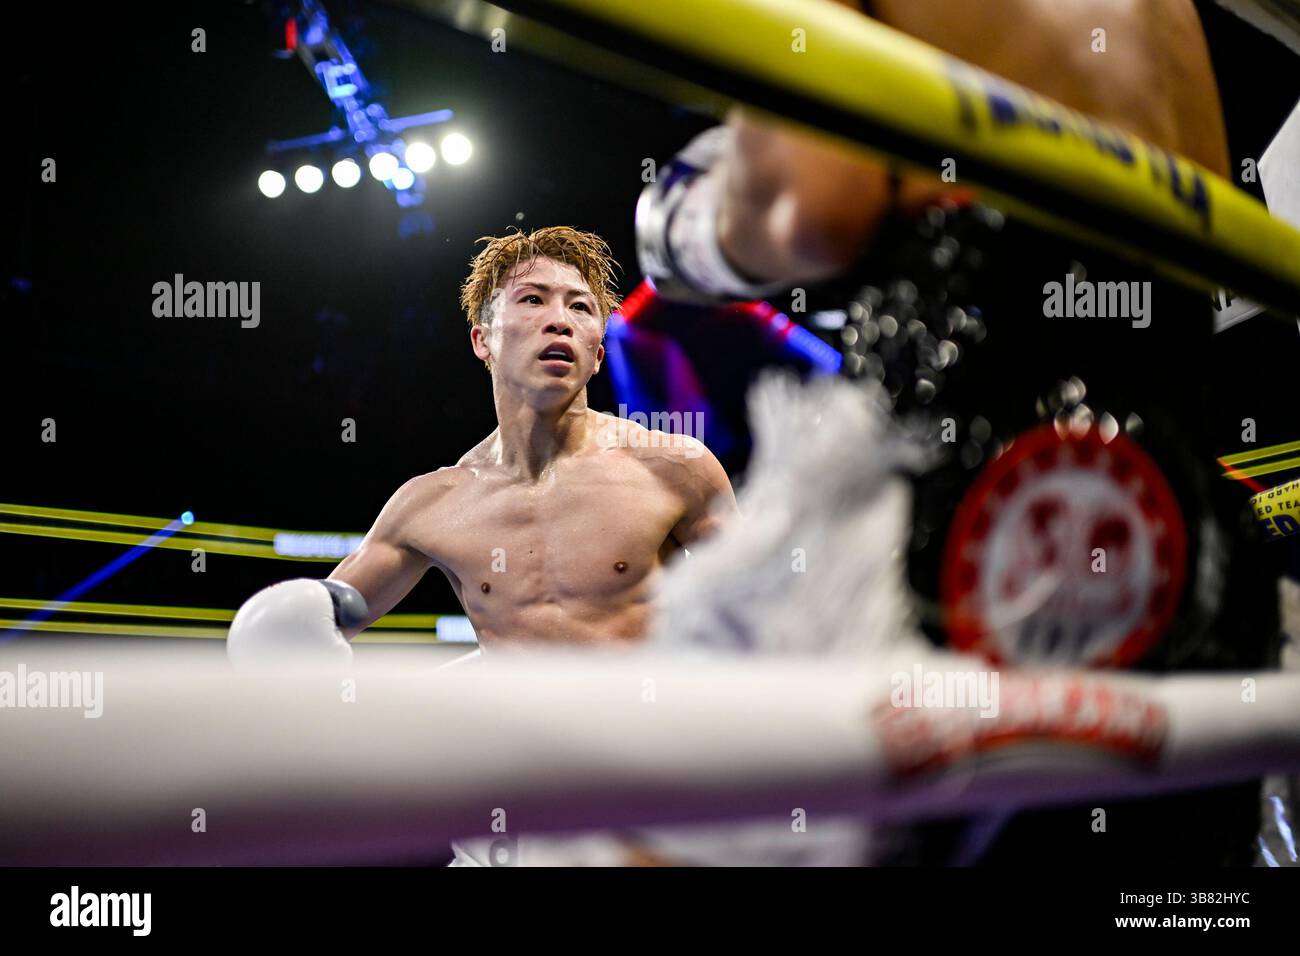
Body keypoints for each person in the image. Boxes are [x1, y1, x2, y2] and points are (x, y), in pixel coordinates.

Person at [228, 226, 737, 659]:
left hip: (652, 754)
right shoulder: (431, 504)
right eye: (533, 299)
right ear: (483, 340)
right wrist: (278, 632)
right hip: (520, 764)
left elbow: (764, 605)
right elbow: (322, 618)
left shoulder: (674, 467)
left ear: (597, 353)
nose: (559, 319)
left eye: (579, 306)